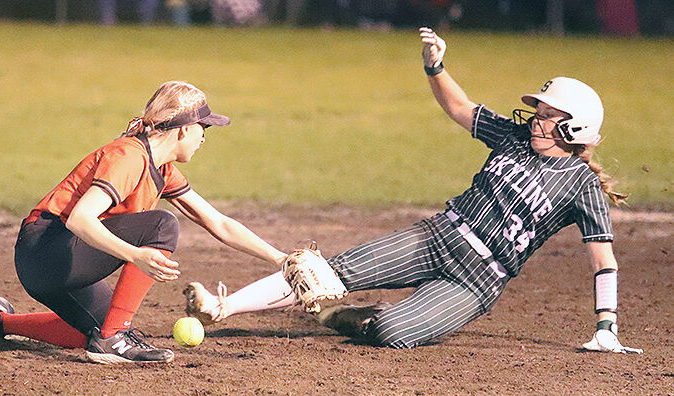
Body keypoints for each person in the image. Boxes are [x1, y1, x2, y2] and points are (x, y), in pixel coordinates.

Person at [182, 28, 643, 353]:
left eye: (547, 114)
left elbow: (604, 260)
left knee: (390, 332)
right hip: (439, 235)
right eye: (540, 110)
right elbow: (459, 107)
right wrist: (435, 66)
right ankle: (220, 308)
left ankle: (342, 316)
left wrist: (606, 325)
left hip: (477, 281)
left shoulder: (581, 184)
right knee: (319, 273)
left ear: (575, 128)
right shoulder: (514, 138)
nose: (537, 118)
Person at [0, 81, 287, 364]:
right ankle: (113, 339)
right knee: (162, 225)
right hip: (46, 250)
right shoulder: (130, 157)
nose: (204, 138)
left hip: (59, 259)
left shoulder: (162, 169)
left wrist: (283, 260)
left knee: (94, 331)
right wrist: (135, 255)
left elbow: (218, 223)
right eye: (204, 128)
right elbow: (80, 219)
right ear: (184, 129)